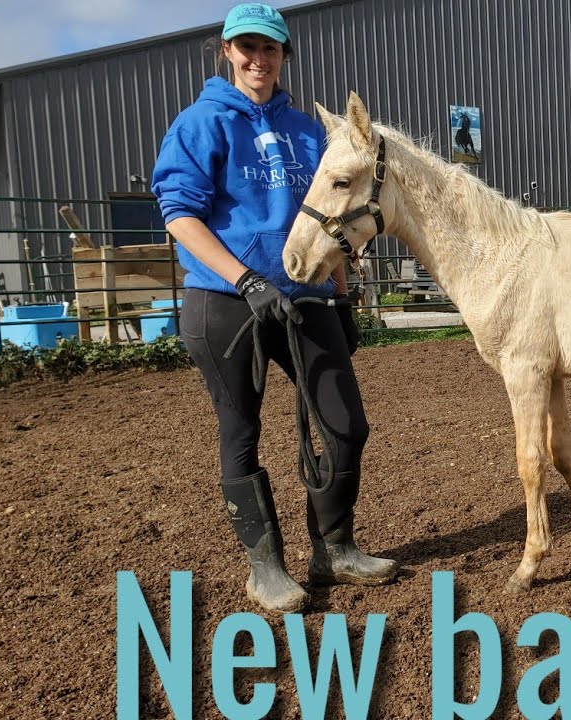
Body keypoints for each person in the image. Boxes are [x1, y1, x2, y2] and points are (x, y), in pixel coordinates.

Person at [151, 2, 397, 613]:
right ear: (227, 53)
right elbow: (179, 213)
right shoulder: (202, 122)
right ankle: (266, 569)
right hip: (224, 302)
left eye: (270, 49)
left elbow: (328, 222)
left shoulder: (308, 130)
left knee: (347, 425)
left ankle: (334, 549)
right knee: (241, 433)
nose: (259, 60)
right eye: (247, 48)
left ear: (284, 55)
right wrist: (244, 281)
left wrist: (340, 299)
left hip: (306, 295)